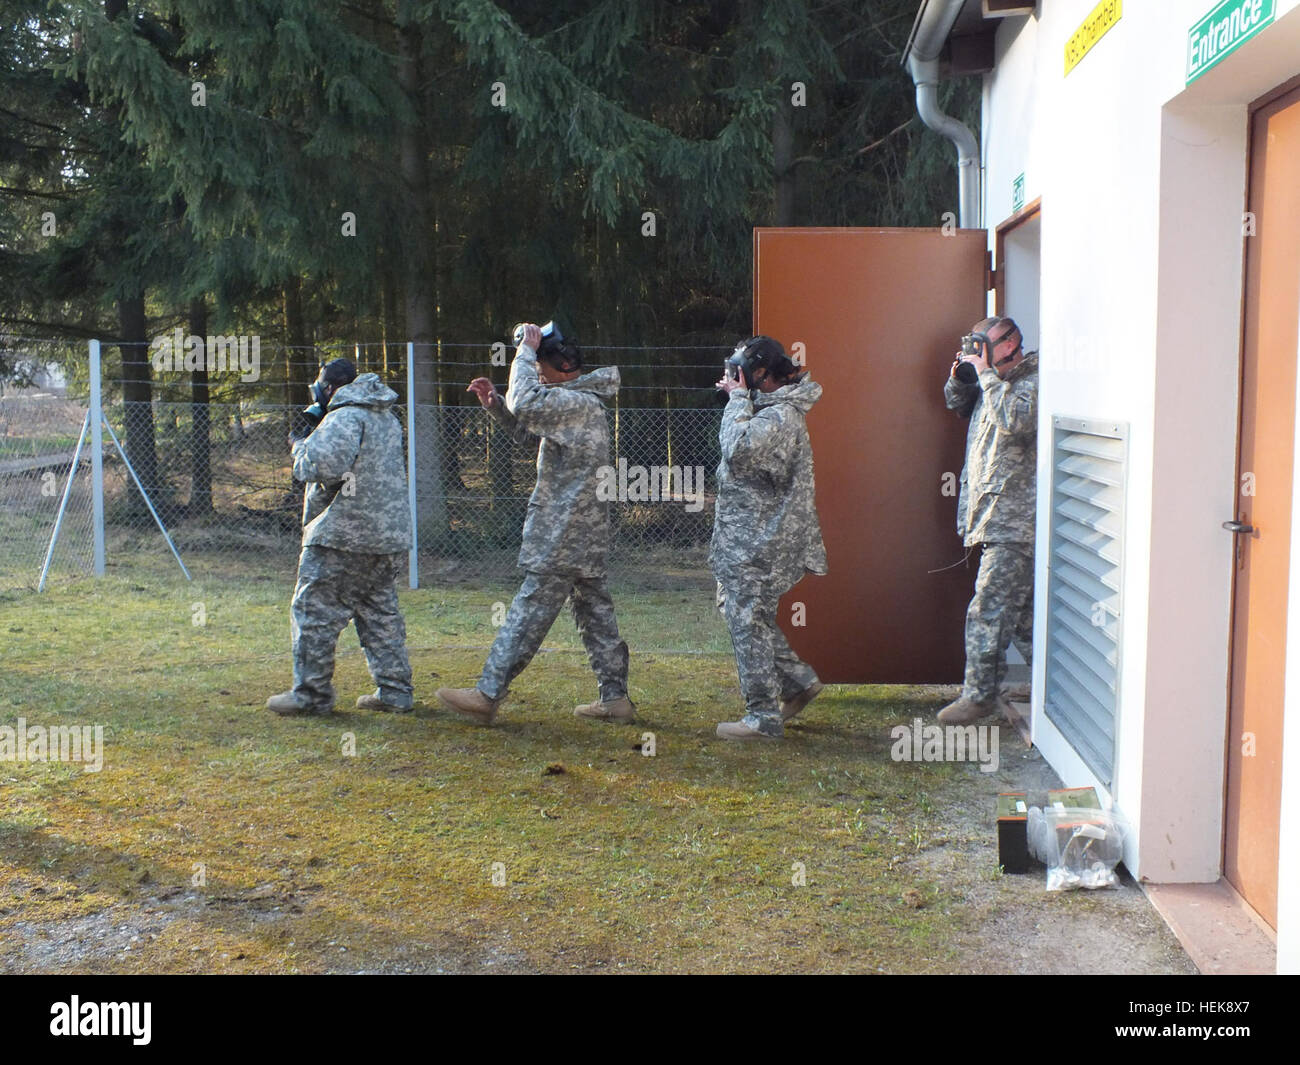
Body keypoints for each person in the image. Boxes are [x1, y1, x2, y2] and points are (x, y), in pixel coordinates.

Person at [436, 322, 633, 726]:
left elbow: (527, 404)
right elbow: (532, 433)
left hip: (563, 532)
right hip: (582, 532)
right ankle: (615, 699)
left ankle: (488, 694)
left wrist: (523, 352)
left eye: (541, 365)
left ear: (561, 363)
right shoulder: (578, 402)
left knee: (530, 609)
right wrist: (496, 406)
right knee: (595, 612)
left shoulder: (577, 403)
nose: (537, 372)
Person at [266, 358, 414, 716]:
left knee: (313, 612)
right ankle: (396, 693)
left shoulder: (345, 417)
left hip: (342, 535)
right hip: (385, 536)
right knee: (378, 612)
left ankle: (310, 696)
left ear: (330, 388)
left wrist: (300, 443)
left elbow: (320, 467)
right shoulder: (385, 417)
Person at [711, 335, 827, 740]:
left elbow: (738, 450)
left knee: (747, 619)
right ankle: (798, 681)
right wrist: (742, 401)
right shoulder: (771, 410)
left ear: (760, 375)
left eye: (739, 373)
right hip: (749, 536)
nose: (732, 380)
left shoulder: (779, 417)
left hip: (761, 540)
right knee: (744, 612)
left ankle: (762, 717)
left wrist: (737, 401)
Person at [938, 316, 1037, 725]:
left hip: (1015, 521)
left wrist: (986, 377)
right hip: (990, 515)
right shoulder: (989, 382)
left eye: (984, 345)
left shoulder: (1031, 381)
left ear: (1010, 345)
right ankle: (1054, 686)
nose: (976, 352)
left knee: (988, 609)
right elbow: (956, 405)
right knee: (1022, 616)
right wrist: (964, 377)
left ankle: (978, 696)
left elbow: (1015, 420)